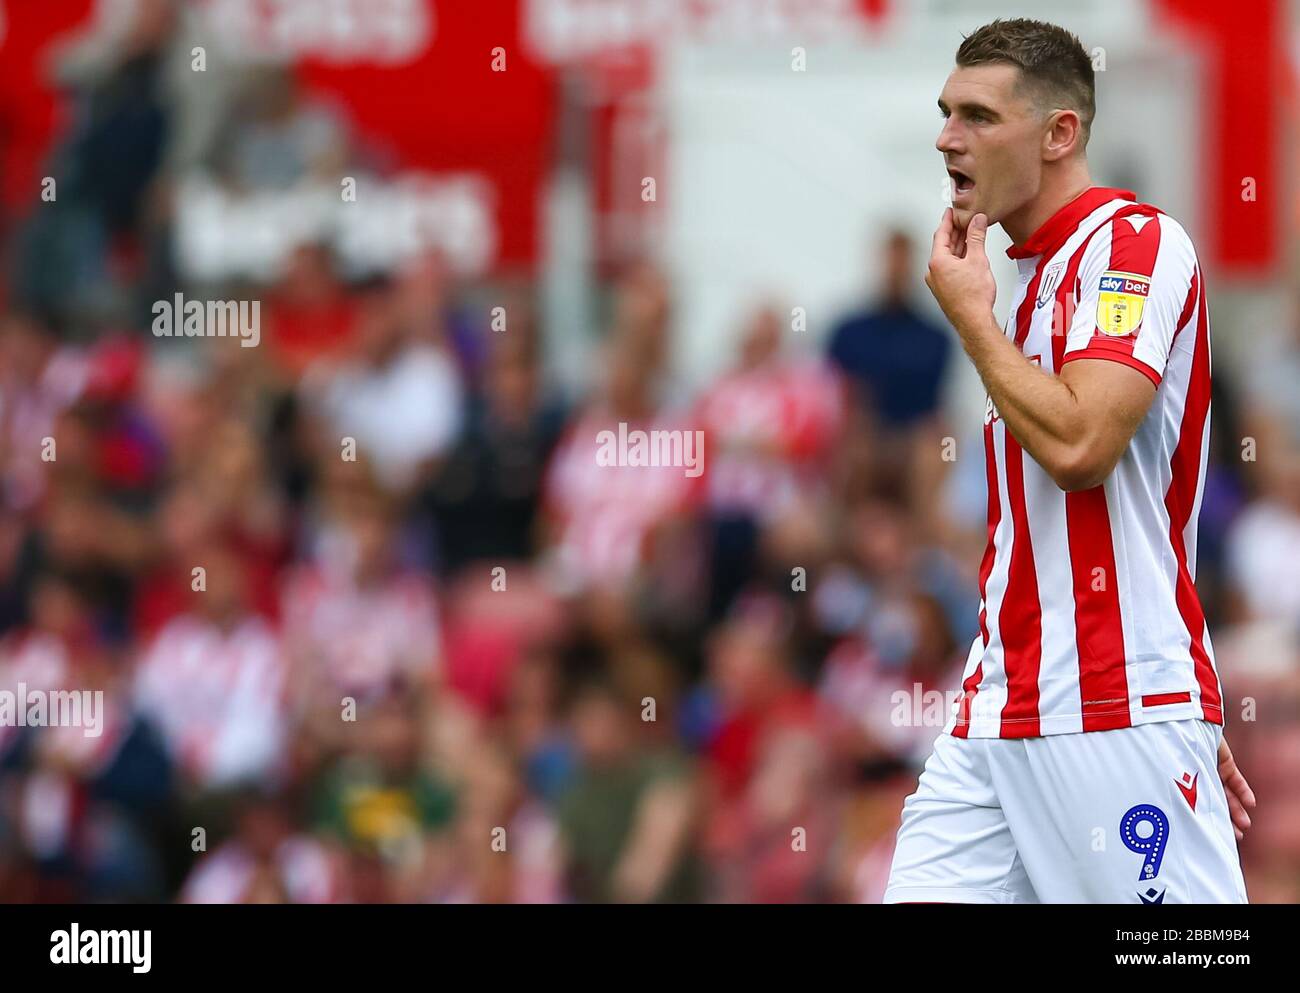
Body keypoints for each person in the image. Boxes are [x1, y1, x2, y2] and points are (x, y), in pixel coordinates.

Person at [884, 17, 1252, 904]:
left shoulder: (1135, 246)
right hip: (1001, 704)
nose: (946, 137)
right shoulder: (1025, 283)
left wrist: (1169, 704)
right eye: (945, 113)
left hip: (1113, 703)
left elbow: (1084, 448)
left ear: (1059, 134)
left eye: (976, 115)